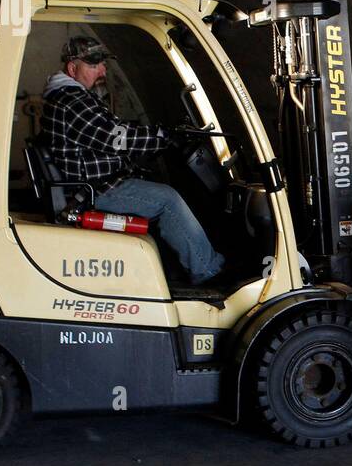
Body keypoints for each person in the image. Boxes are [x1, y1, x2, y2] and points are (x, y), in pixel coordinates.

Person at [42, 36, 226, 287]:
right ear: (73, 68)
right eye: (94, 65)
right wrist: (161, 135)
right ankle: (208, 271)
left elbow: (110, 127)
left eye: (103, 64)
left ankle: (172, 272)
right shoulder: (71, 100)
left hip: (97, 182)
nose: (103, 70)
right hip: (97, 190)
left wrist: (151, 134)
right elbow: (113, 137)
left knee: (159, 186)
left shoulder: (73, 96)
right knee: (168, 200)